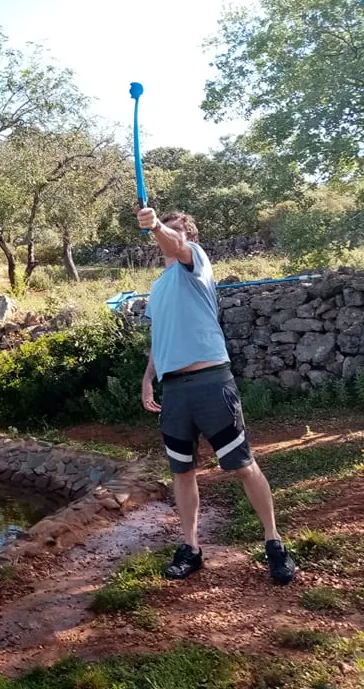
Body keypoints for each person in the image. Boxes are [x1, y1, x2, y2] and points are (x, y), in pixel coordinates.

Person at [137, 206, 296, 585]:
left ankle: (274, 543)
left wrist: (158, 225)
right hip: (173, 389)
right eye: (165, 231)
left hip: (211, 380)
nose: (169, 237)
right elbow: (160, 338)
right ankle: (190, 548)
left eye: (177, 231)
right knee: (182, 470)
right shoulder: (158, 288)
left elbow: (175, 244)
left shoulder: (196, 262)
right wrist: (148, 379)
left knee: (242, 465)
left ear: (188, 236)